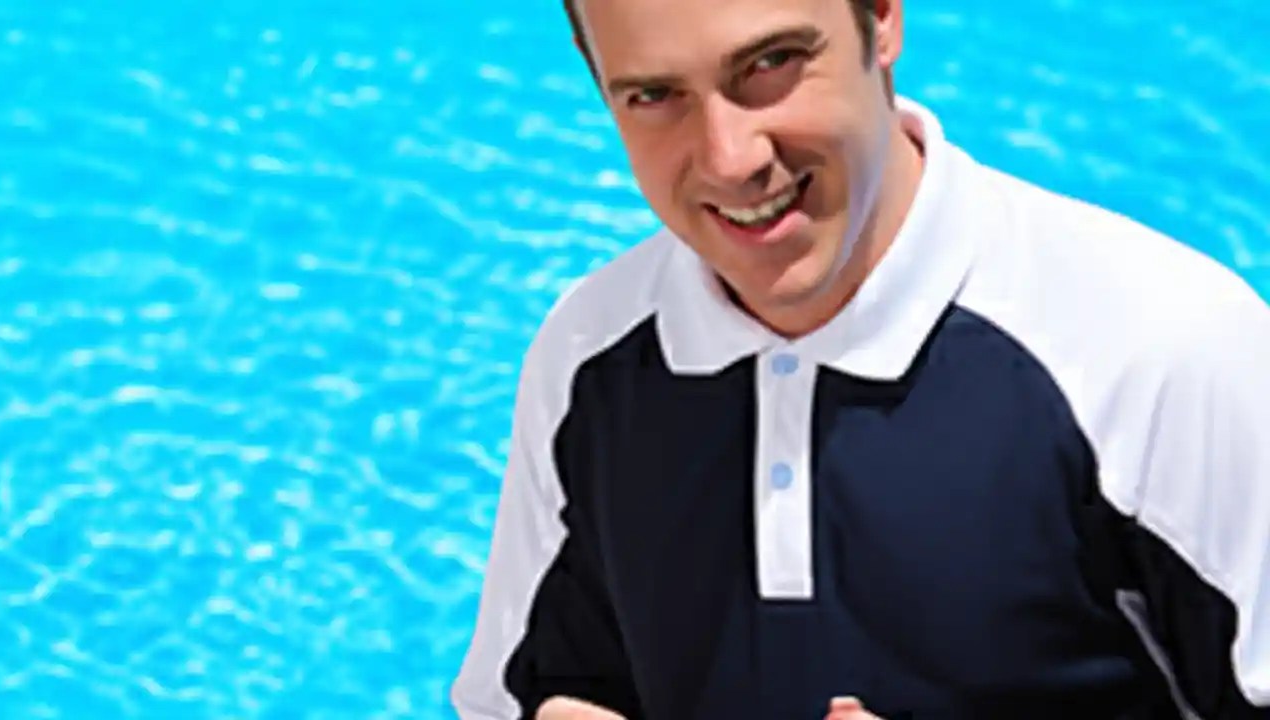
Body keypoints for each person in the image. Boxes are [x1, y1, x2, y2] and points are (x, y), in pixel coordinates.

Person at [450, 0, 1270, 717]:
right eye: (655, 96)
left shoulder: (1167, 350)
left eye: (771, 63)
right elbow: (523, 692)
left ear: (880, 18)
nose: (731, 158)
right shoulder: (589, 352)